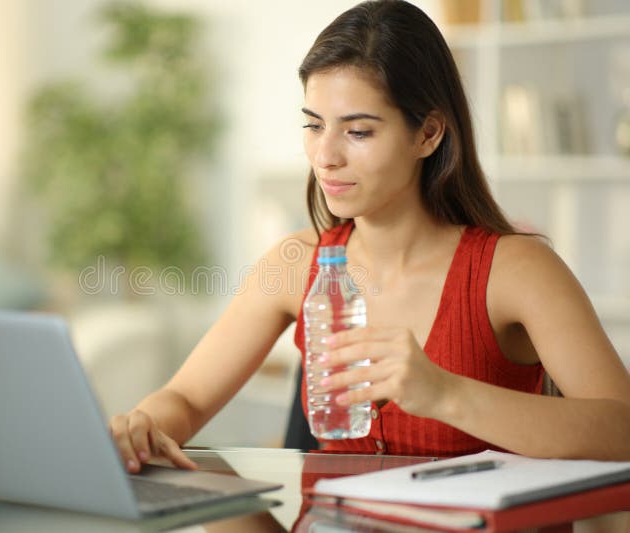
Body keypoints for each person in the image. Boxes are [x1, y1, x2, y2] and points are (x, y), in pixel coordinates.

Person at [109, 0, 630, 470]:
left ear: (428, 133)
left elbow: (622, 429)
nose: (325, 156)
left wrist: (445, 394)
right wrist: (144, 427)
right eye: (314, 125)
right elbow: (187, 400)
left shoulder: (516, 271)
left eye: (358, 131)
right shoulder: (296, 263)